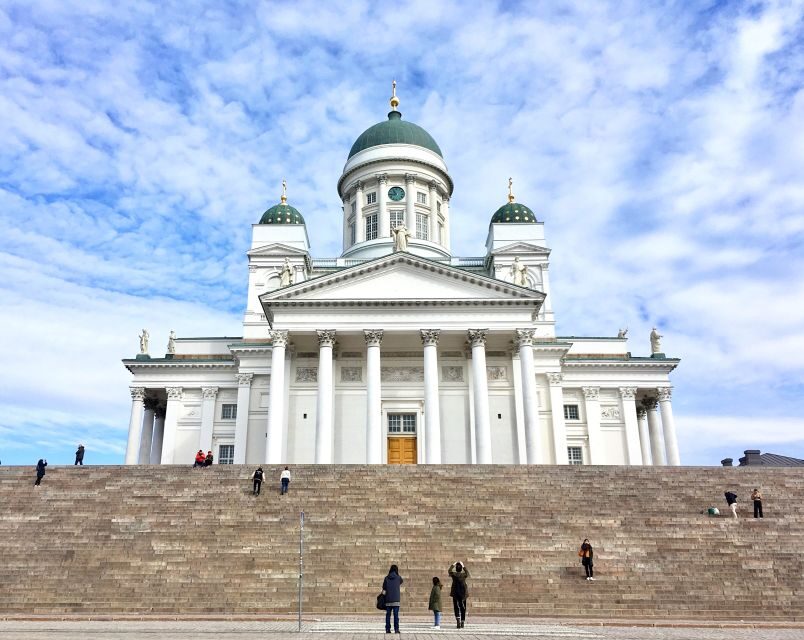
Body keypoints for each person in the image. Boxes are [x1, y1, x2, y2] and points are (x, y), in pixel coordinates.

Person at [382, 564, 403, 634]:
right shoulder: (398, 578)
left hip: (388, 599)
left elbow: (384, 588)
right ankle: (396, 629)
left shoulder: (386, 578)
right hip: (396, 600)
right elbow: (401, 581)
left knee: (388, 615)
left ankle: (388, 629)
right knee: (396, 616)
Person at [448, 561, 470, 628]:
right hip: (463, 594)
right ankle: (462, 622)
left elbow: (449, 571)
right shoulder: (463, 575)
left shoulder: (454, 575)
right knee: (463, 608)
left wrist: (453, 564)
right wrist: (463, 566)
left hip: (455, 593)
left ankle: (458, 620)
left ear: (456, 569)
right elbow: (467, 573)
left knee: (456, 607)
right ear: (461, 569)